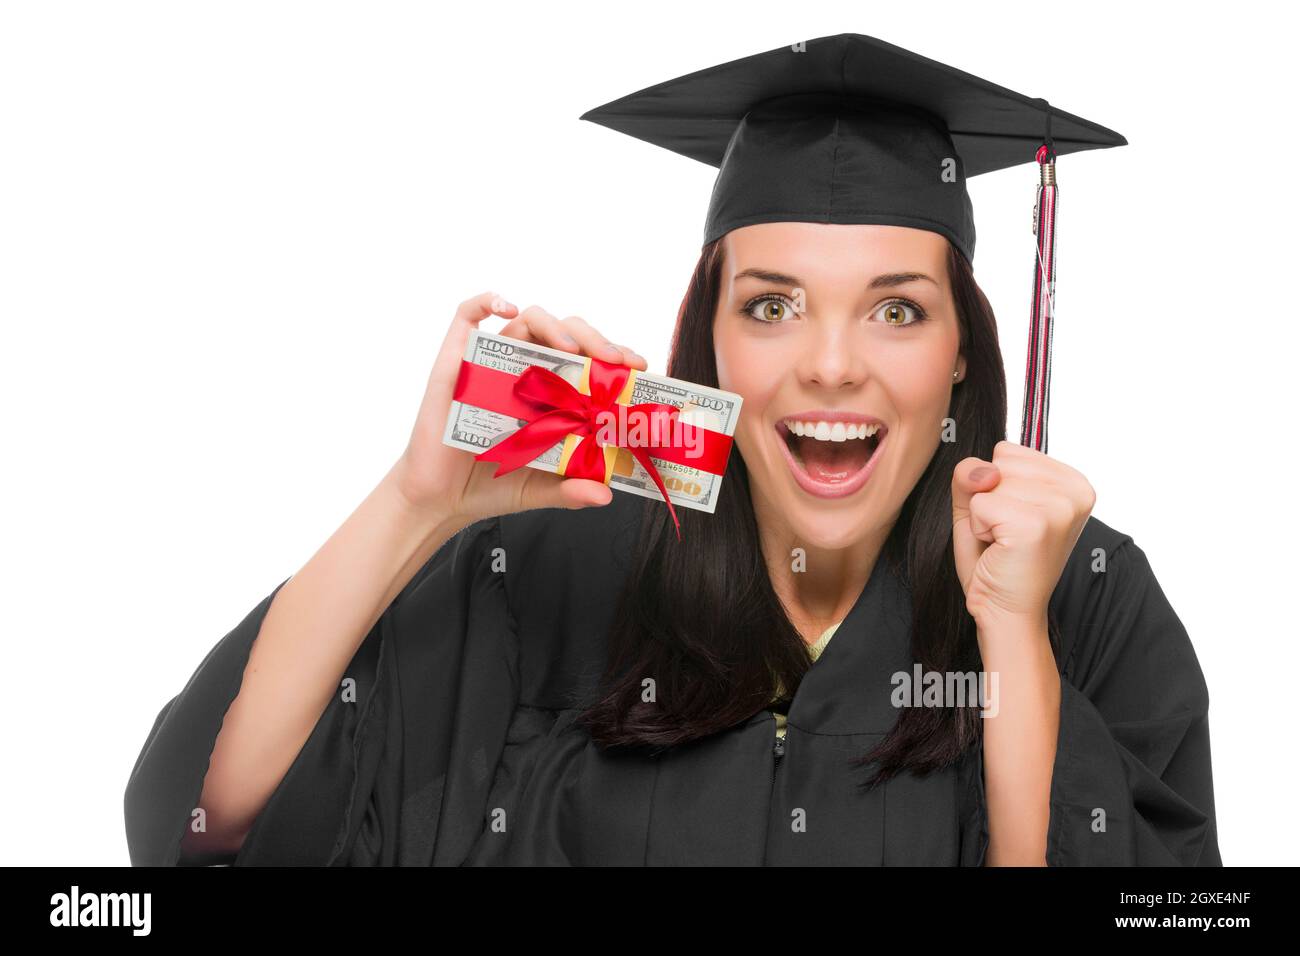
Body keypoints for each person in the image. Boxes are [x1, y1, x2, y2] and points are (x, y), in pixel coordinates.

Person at [124, 34, 1220, 866]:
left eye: (896, 311)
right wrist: (415, 504)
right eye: (772, 303)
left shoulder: (1086, 592)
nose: (831, 366)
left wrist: (1015, 636)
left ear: (961, 358)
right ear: (709, 342)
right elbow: (207, 824)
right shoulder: (556, 562)